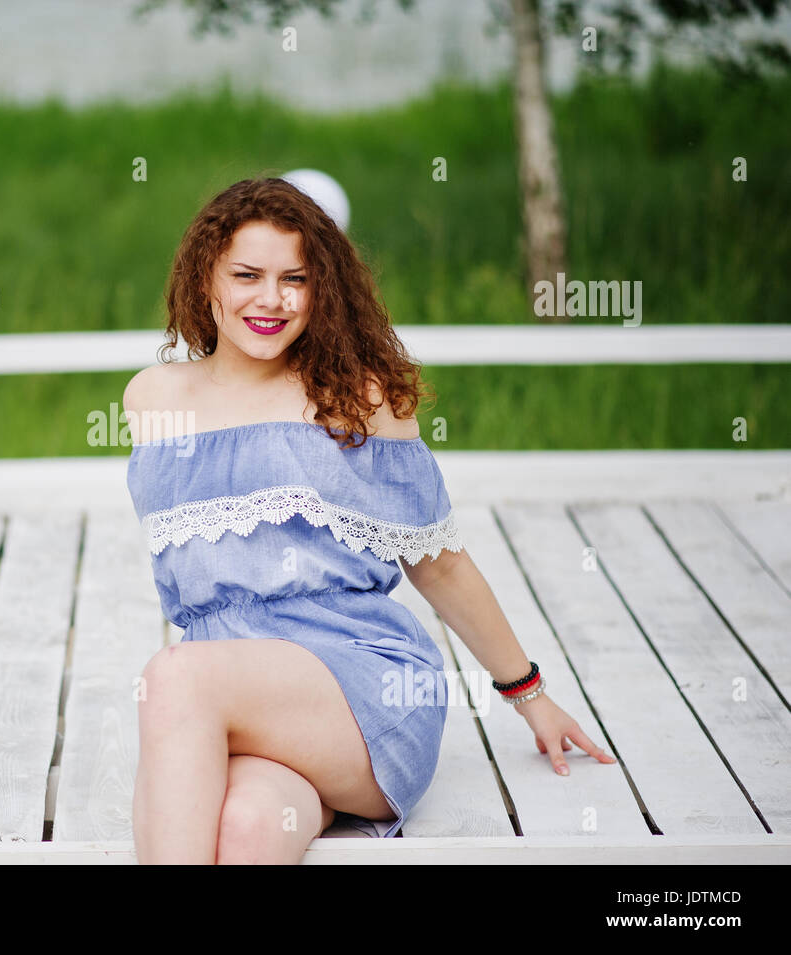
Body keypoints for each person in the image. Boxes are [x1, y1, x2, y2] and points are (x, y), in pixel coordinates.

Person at [122, 176, 616, 865]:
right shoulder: (154, 399)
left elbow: (438, 561)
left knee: (173, 677)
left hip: (358, 686)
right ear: (205, 276)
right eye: (247, 274)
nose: (272, 299)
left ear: (322, 286)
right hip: (237, 699)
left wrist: (528, 692)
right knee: (247, 826)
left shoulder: (357, 396)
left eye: (295, 278)